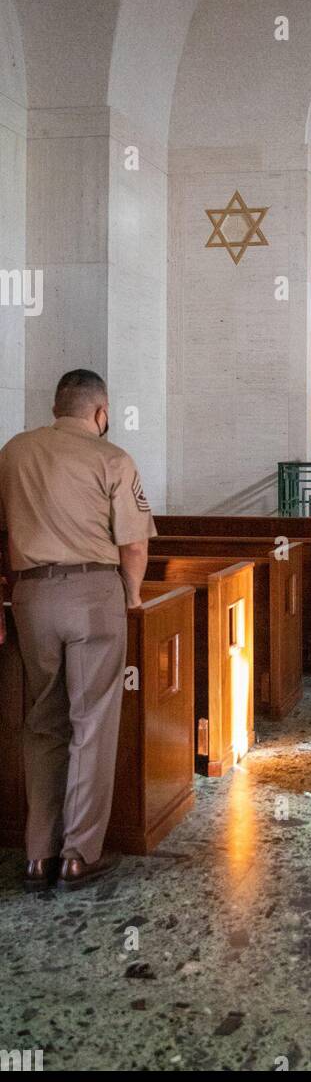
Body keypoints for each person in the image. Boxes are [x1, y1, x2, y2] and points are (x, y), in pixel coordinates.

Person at [0, 370, 156, 891]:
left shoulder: (14, 452)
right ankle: (78, 856)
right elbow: (134, 544)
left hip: (29, 596)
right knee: (91, 724)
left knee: (42, 722)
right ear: (101, 413)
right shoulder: (113, 459)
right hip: (92, 596)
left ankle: (37, 855)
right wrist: (131, 596)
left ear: (55, 406)